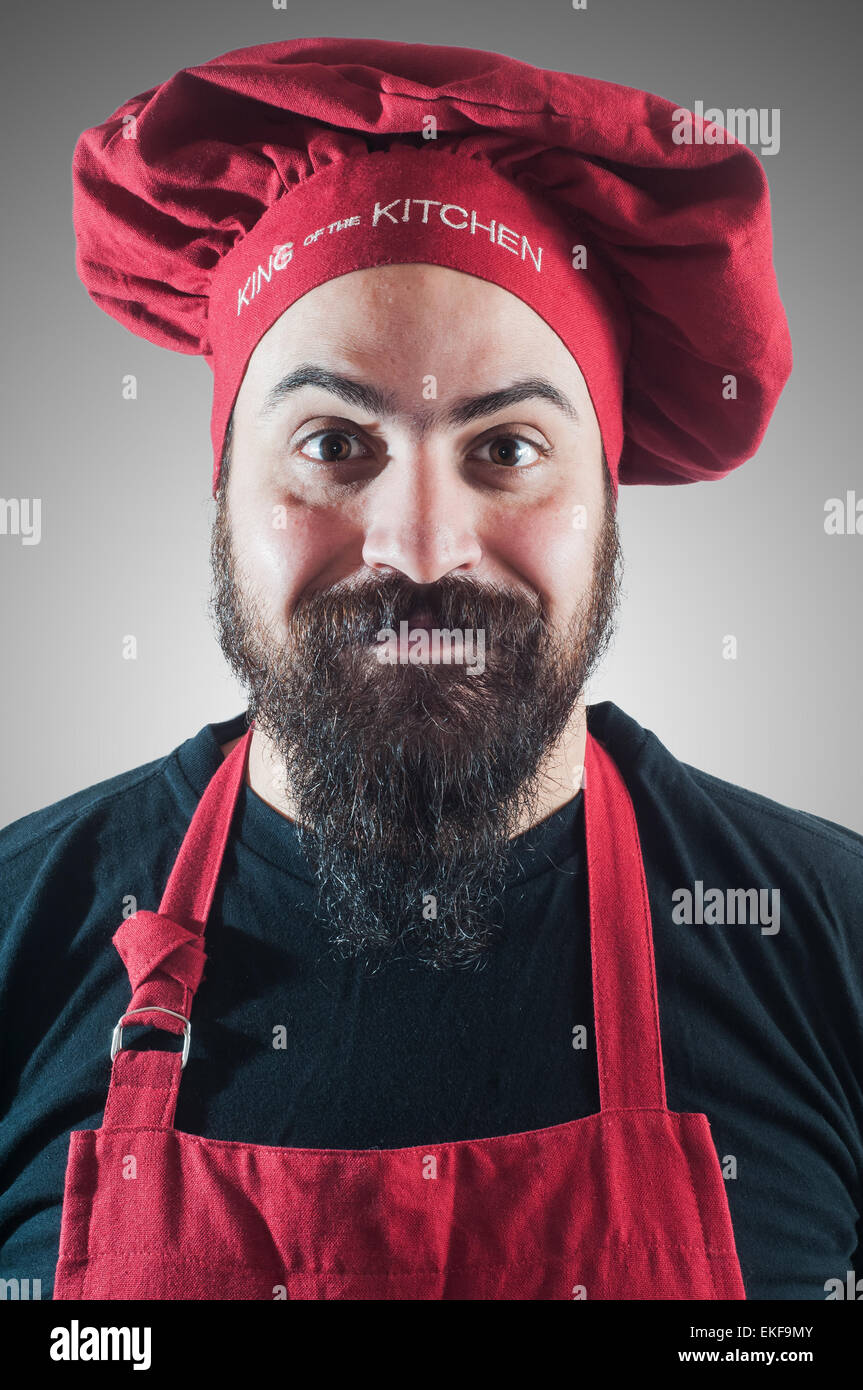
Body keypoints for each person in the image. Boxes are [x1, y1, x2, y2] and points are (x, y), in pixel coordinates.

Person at [1, 36, 860, 1302]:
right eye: (335, 441)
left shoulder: (826, 939)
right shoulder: (23, 931)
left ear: (604, 500)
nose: (417, 547)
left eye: (506, 446)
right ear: (222, 489)